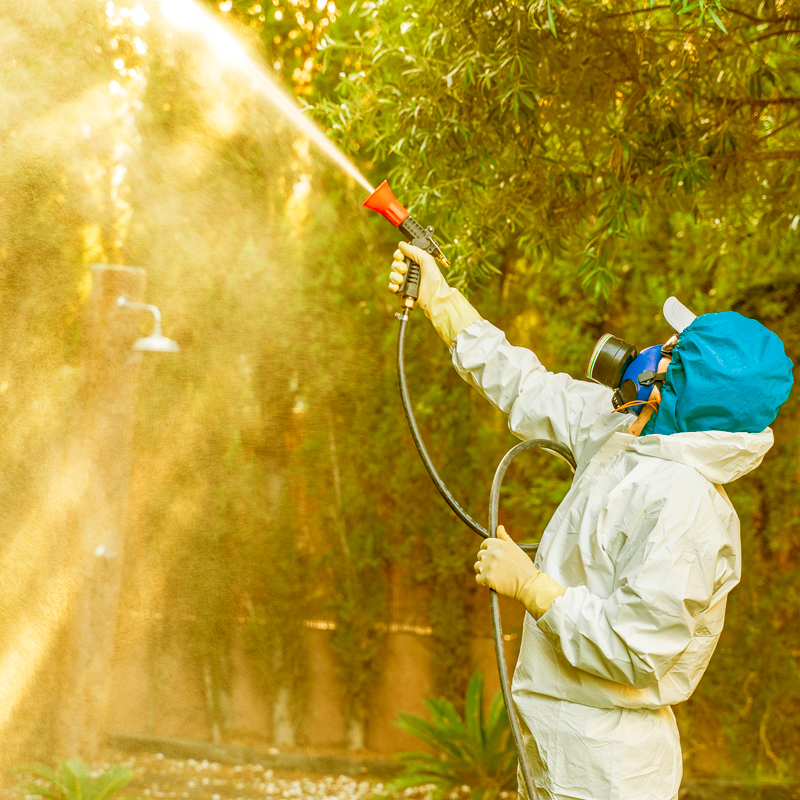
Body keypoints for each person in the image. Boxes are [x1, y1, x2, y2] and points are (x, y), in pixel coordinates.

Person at [388, 242, 794, 800]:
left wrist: (532, 587)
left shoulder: (685, 508)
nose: (654, 351)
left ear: (681, 387)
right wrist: (439, 298)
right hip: (554, 736)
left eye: (672, 352)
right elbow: (526, 386)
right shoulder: (626, 433)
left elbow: (634, 650)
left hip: (609, 766)